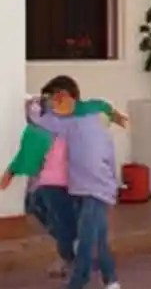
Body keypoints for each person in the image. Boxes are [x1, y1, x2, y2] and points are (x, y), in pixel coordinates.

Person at [25, 75, 126, 289]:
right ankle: (111, 280)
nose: (50, 104)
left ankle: (76, 285)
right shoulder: (90, 118)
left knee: (87, 236)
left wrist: (32, 104)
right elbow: (109, 153)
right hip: (88, 186)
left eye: (53, 99)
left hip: (95, 188)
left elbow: (41, 122)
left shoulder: (67, 121)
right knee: (97, 238)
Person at [1, 97, 118, 277]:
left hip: (56, 184)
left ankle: (73, 258)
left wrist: (9, 174)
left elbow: (27, 157)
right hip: (83, 182)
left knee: (58, 221)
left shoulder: (41, 129)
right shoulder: (78, 123)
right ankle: (85, 256)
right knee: (77, 222)